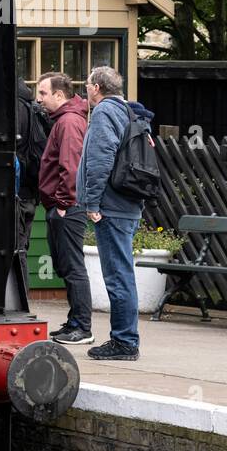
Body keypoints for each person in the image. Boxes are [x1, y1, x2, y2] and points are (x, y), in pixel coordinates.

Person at [76, 65, 150, 360]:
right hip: (129, 204)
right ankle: (125, 339)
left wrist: (92, 203)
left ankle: (124, 342)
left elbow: (100, 158)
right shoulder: (131, 111)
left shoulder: (105, 112)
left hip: (111, 206)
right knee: (123, 272)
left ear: (96, 87)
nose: (86, 89)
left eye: (87, 84)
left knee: (118, 275)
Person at [35, 72, 91, 344]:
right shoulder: (64, 120)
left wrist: (63, 203)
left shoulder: (68, 122)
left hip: (67, 207)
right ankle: (74, 322)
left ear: (60, 95)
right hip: (64, 204)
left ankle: (82, 327)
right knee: (66, 265)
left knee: (72, 267)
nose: (39, 98)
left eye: (43, 93)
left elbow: (71, 165)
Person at [13, 80, 46, 296]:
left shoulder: (13, 108)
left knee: (16, 250)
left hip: (17, 193)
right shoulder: (33, 108)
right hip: (31, 193)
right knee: (22, 247)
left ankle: (20, 300)